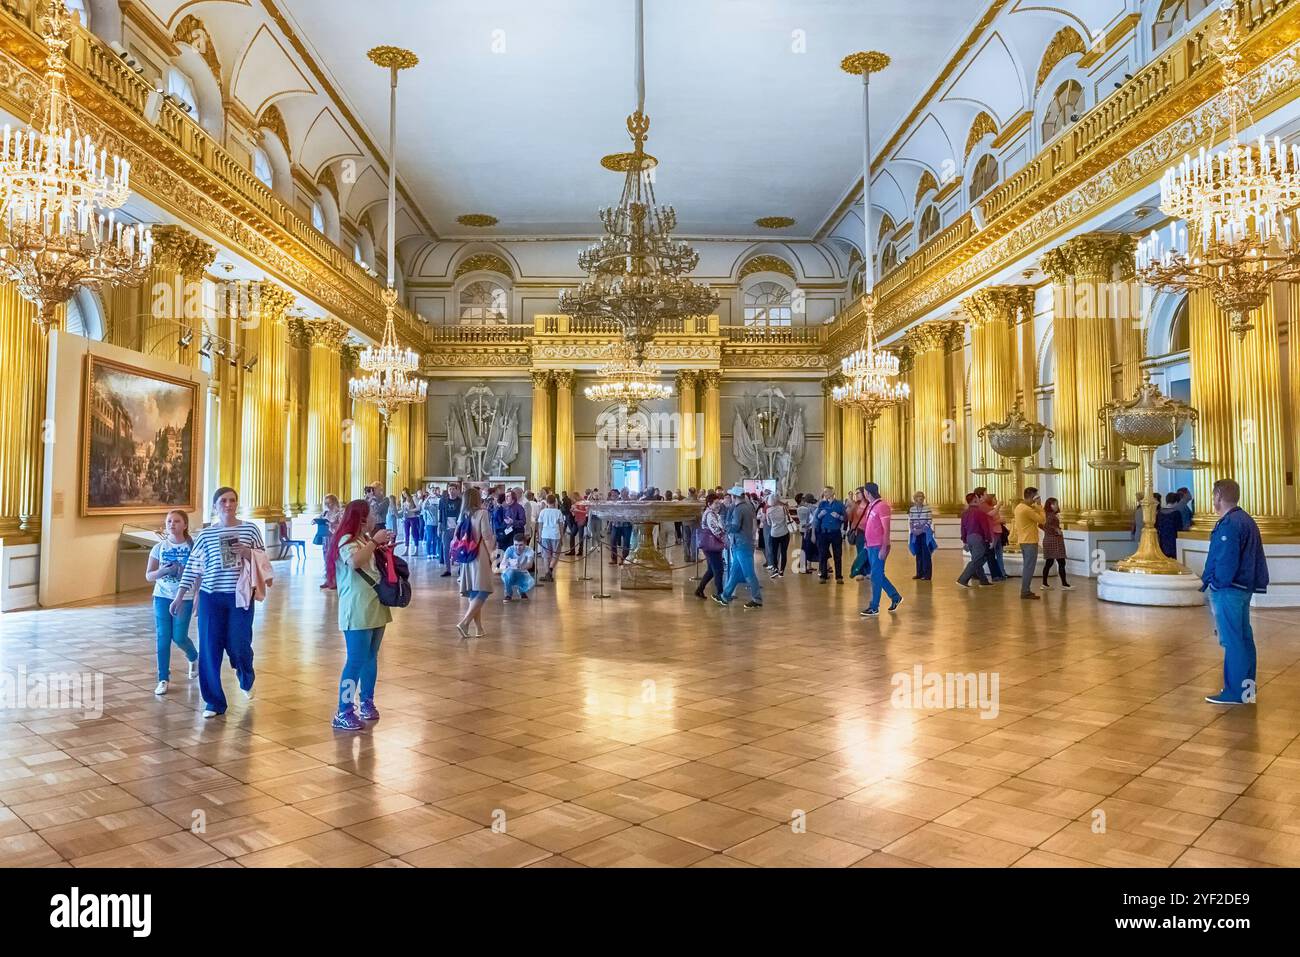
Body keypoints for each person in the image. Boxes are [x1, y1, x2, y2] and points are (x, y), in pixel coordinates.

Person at [172, 487, 266, 719]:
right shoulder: (205, 535)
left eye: (232, 500)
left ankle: (245, 676)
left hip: (240, 596)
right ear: (215, 506)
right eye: (223, 500)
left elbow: (263, 559)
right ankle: (213, 702)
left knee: (239, 643)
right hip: (210, 597)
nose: (228, 504)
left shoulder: (250, 529)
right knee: (209, 648)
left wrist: (247, 552)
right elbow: (193, 568)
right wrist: (180, 595)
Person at [1200, 479, 1269, 706]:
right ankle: (1246, 689)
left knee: (1232, 640)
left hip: (1230, 590)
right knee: (1243, 638)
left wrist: (1217, 584)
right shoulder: (1246, 520)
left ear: (1219, 496)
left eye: (1213, 496)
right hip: (1243, 588)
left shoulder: (1229, 524)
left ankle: (1235, 692)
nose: (1213, 500)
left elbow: (1226, 561)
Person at [327, 499, 393, 731]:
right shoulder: (346, 539)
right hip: (356, 608)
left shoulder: (363, 539)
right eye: (372, 513)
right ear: (362, 517)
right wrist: (375, 541)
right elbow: (355, 561)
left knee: (371, 656)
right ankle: (343, 709)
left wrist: (379, 546)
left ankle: (367, 701)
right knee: (355, 659)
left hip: (374, 605)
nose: (376, 517)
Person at [146, 509, 199, 696]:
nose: (172, 524)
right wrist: (163, 571)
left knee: (179, 636)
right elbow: (149, 575)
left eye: (176, 521)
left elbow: (199, 574)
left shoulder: (193, 547)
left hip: (185, 597)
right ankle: (163, 678)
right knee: (163, 637)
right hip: (162, 595)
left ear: (184, 525)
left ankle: (193, 656)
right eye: (169, 521)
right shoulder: (159, 548)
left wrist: (198, 596)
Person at [455, 486, 496, 639]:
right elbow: (486, 536)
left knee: (474, 590)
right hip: (480, 555)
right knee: (484, 589)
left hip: (466, 556)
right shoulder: (482, 513)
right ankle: (464, 622)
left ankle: (479, 628)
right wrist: (493, 555)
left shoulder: (463, 514)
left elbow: (456, 535)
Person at [859, 483, 902, 617]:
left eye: (864, 492)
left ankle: (874, 606)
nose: (864, 494)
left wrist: (884, 546)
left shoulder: (882, 506)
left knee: (875, 576)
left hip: (878, 545)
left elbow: (886, 529)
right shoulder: (871, 506)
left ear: (868, 493)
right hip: (871, 545)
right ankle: (895, 597)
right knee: (878, 575)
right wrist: (866, 542)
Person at [718, 486, 762, 608]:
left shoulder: (738, 509)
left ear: (734, 497)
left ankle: (757, 599)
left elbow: (735, 526)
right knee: (735, 572)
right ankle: (725, 596)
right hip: (744, 543)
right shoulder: (748, 507)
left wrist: (725, 526)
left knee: (749, 573)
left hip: (741, 544)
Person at [1013, 486, 1047, 600]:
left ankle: (1025, 590)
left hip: (1023, 540)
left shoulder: (1019, 507)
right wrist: (1040, 506)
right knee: (1029, 567)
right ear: (1032, 497)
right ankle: (1025, 591)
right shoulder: (1027, 510)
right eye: (1035, 497)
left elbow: (1033, 510)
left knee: (1027, 566)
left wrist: (1035, 505)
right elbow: (1042, 520)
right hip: (1030, 541)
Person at [694, 493, 728, 600]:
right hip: (712, 546)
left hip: (710, 546)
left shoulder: (712, 513)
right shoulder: (710, 515)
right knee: (718, 570)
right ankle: (720, 594)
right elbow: (716, 530)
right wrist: (725, 539)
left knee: (711, 570)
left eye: (719, 503)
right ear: (709, 504)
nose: (718, 505)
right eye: (716, 503)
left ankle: (699, 589)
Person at [957, 490, 993, 588]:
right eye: (977, 498)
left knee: (977, 558)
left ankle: (983, 580)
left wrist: (964, 541)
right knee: (977, 559)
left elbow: (963, 528)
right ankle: (963, 579)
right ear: (974, 500)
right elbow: (985, 527)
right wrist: (989, 539)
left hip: (969, 538)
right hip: (978, 537)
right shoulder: (980, 512)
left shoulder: (965, 513)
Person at [814, 487, 847, 584]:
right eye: (824, 492)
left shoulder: (839, 504)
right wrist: (820, 515)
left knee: (838, 555)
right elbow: (816, 518)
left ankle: (839, 576)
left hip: (835, 533)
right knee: (823, 554)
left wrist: (838, 516)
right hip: (824, 533)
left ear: (832, 493)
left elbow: (845, 518)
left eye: (826, 492)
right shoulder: (822, 504)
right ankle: (823, 575)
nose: (825, 493)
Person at [1040, 497, 1071, 589]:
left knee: (1049, 562)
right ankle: (1064, 584)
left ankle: (1045, 583)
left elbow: (1042, 525)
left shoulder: (1047, 515)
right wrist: (1056, 530)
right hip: (1054, 541)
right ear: (1051, 505)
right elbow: (1047, 525)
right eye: (1055, 504)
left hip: (1049, 540)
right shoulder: (1051, 516)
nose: (1057, 506)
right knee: (1061, 562)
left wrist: (1049, 531)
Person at [537, 494, 564, 582]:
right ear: (555, 501)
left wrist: (540, 536)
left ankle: (547, 573)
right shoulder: (558, 512)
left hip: (545, 535)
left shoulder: (542, 512)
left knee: (546, 555)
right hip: (555, 535)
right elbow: (561, 526)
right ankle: (550, 569)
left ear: (547, 502)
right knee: (556, 554)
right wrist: (562, 537)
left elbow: (540, 526)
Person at [502, 531, 536, 602]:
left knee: (530, 582)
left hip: (522, 571)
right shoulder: (509, 549)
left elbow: (530, 564)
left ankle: (521, 591)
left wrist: (520, 567)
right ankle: (508, 594)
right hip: (510, 571)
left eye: (520, 545)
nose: (518, 547)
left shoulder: (529, 550)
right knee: (508, 575)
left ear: (525, 544)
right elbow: (503, 562)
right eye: (516, 545)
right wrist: (507, 564)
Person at [908, 491, 934, 581]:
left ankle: (927, 575)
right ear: (915, 499)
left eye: (922, 496)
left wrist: (921, 530)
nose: (921, 498)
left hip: (925, 533)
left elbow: (929, 521)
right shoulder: (912, 509)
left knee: (926, 553)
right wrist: (913, 530)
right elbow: (911, 521)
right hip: (916, 533)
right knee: (918, 553)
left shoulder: (927, 508)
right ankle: (919, 573)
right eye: (919, 497)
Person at [765, 492, 790, 578]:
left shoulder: (768, 510)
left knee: (773, 552)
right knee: (784, 552)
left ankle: (775, 568)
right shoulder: (783, 508)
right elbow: (788, 518)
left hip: (774, 533)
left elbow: (768, 523)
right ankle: (782, 570)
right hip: (784, 533)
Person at [439, 483, 461, 577]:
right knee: (446, 549)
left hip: (458, 529)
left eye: (453, 489)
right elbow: (440, 514)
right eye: (450, 489)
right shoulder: (443, 501)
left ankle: (461, 569)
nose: (451, 491)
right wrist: (439, 527)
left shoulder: (460, 501)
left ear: (457, 490)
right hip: (446, 528)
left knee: (459, 549)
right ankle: (448, 569)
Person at [846, 488, 867, 580]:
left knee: (869, 552)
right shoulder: (856, 505)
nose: (856, 495)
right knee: (860, 551)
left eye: (858, 493)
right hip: (859, 531)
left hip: (869, 531)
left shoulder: (870, 505)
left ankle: (869, 571)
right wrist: (849, 507)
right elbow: (850, 518)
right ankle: (860, 572)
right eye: (856, 493)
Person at [1156, 491, 1183, 559]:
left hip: (1162, 542)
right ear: (1176, 502)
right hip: (1174, 542)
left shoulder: (1159, 513)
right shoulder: (1176, 513)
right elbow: (1179, 529)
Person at [797, 493, 816, 573]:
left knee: (804, 547)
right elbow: (812, 521)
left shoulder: (801, 508)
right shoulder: (810, 509)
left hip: (804, 529)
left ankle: (803, 565)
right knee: (805, 548)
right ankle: (802, 567)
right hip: (808, 530)